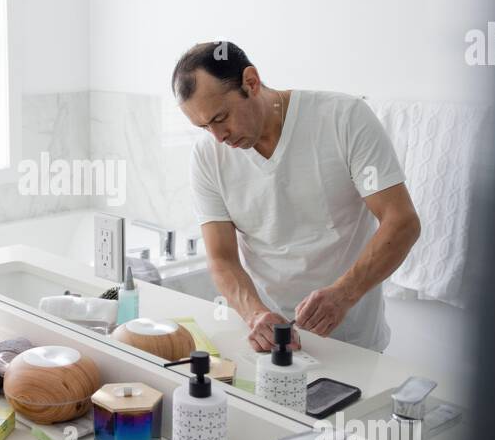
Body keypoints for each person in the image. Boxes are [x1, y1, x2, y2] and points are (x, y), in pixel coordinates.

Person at [173, 41, 420, 354]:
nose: (218, 137)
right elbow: (221, 258)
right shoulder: (208, 156)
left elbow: (402, 222)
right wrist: (255, 314)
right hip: (266, 341)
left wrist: (344, 294)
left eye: (220, 118)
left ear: (251, 82)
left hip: (351, 340)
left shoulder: (343, 118)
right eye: (204, 126)